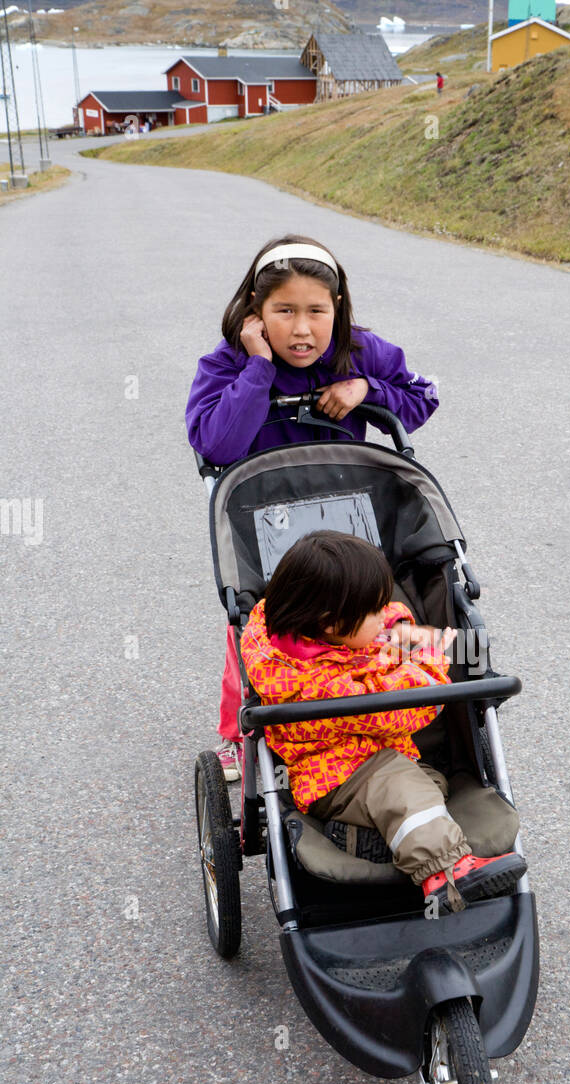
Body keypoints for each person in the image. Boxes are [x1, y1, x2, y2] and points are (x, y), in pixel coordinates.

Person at [186, 234, 441, 781]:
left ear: (338, 308)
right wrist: (257, 369)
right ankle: (242, 730)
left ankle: (363, 709)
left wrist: (367, 388)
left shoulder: (360, 350)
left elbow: (424, 394)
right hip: (262, 519)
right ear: (256, 312)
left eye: (316, 312)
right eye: (284, 312)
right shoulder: (226, 364)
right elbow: (215, 444)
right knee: (257, 623)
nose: (301, 330)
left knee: (359, 613)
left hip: (346, 513)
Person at [240, 530, 526, 914]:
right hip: (337, 778)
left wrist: (393, 628)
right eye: (374, 613)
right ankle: (446, 872)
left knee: (426, 786)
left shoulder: (307, 628)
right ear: (329, 624)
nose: (384, 615)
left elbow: (381, 620)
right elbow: (409, 706)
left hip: (376, 759)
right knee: (402, 787)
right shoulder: (315, 687)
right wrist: (425, 659)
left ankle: (363, 836)